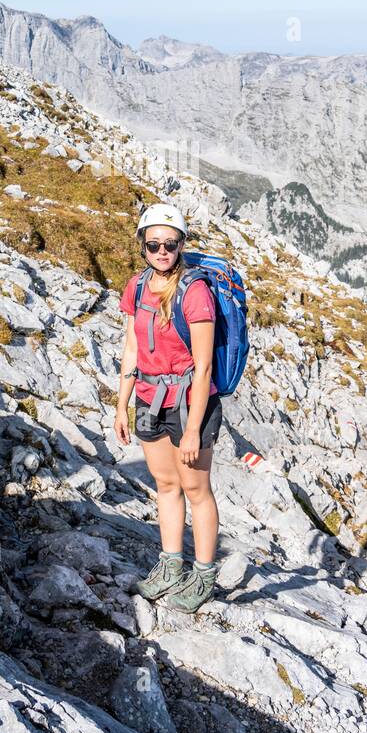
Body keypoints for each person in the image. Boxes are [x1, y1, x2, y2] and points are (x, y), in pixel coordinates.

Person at [114, 204, 222, 612]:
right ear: (142, 244)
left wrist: (193, 428)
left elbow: (205, 363)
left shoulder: (195, 292)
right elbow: (132, 347)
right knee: (165, 485)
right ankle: (171, 565)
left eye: (170, 244)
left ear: (181, 246)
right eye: (154, 244)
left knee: (196, 489)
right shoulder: (137, 287)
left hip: (191, 405)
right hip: (148, 399)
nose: (162, 251)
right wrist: (121, 405)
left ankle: (205, 575)